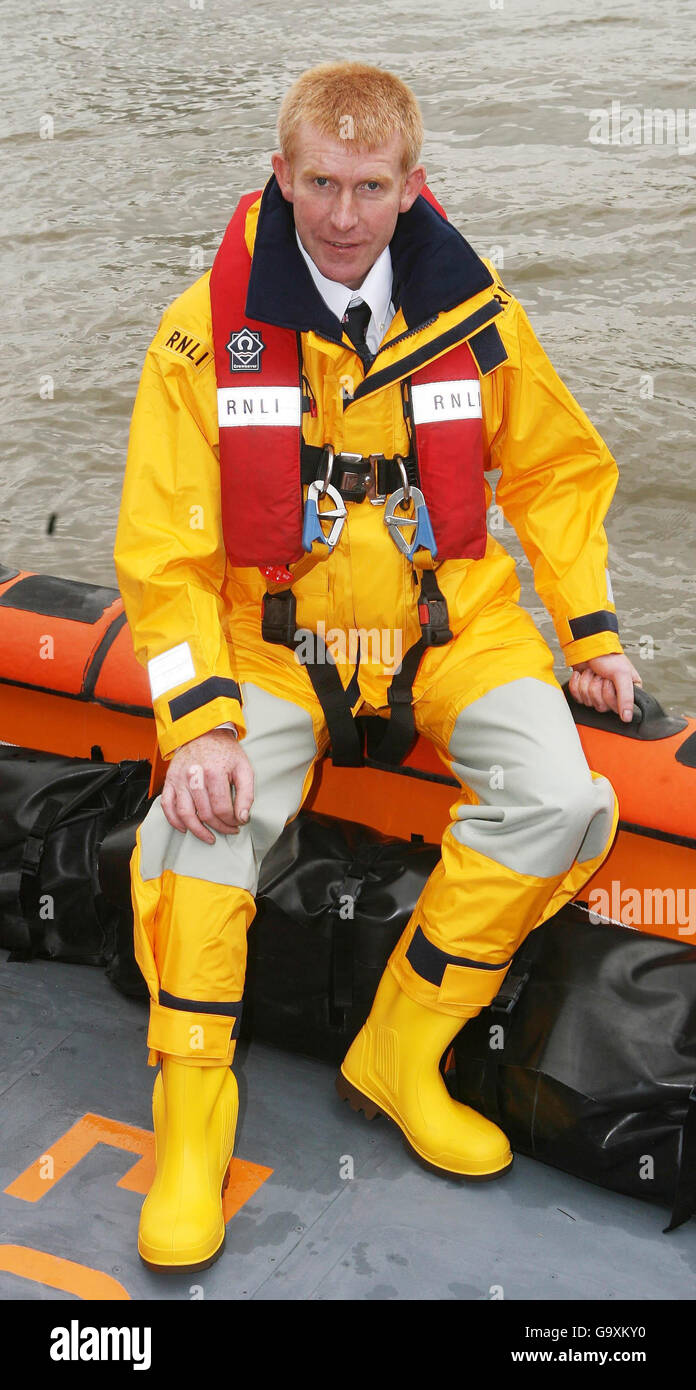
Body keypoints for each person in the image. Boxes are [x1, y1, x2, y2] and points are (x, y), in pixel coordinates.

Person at [114, 61, 640, 1273]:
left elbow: (557, 471)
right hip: (275, 646)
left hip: (452, 626)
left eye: (369, 186)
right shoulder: (205, 332)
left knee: (563, 801)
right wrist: (196, 721)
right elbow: (163, 547)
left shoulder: (479, 315)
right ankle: (192, 1120)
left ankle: (405, 1047)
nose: (343, 215)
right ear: (281, 175)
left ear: (412, 186)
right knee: (198, 833)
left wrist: (593, 626)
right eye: (320, 184)